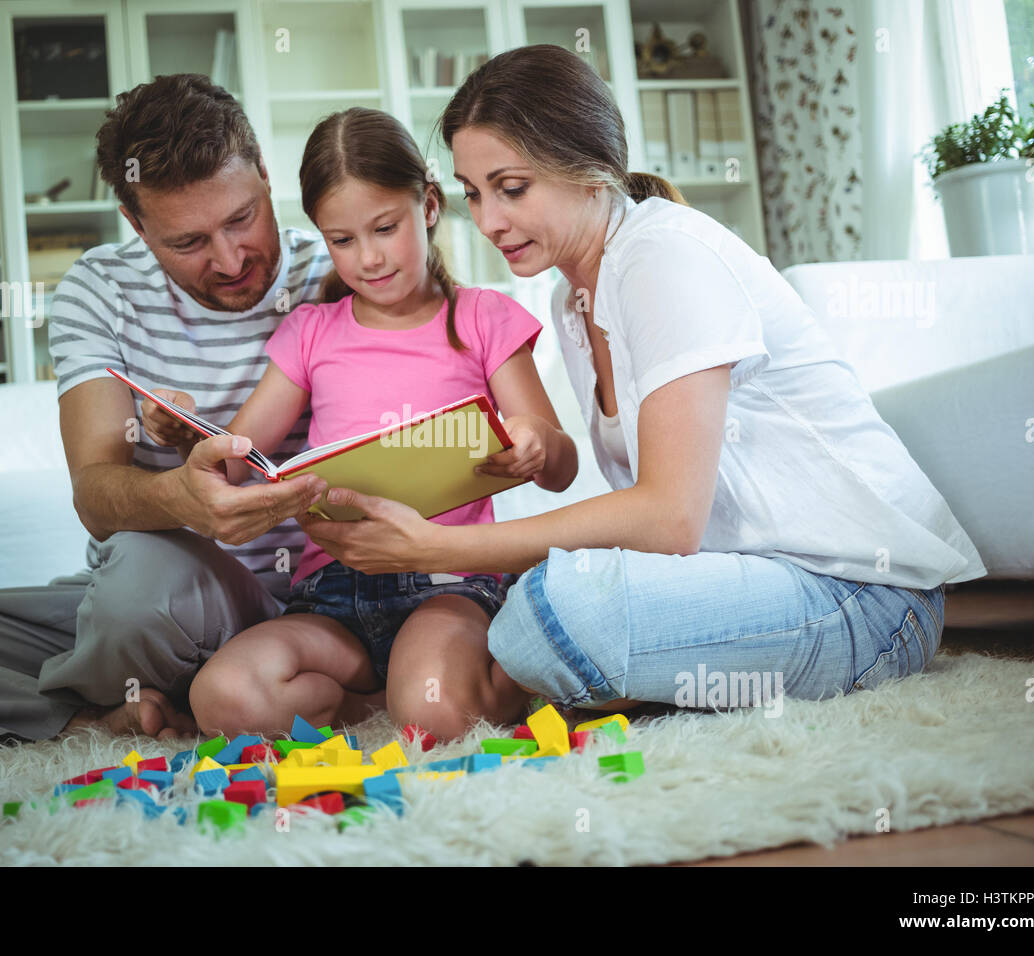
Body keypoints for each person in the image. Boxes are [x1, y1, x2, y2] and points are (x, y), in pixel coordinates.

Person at [297, 45, 987, 715]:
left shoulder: (663, 256)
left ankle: (549, 683)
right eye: (474, 195)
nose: (487, 222)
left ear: (590, 170)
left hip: (863, 595)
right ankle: (580, 684)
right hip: (755, 583)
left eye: (512, 189)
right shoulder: (574, 301)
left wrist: (440, 548)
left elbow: (669, 517)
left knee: (555, 608)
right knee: (553, 603)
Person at [0, 74, 344, 747]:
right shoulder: (100, 287)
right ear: (136, 225)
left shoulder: (343, 264)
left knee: (136, 589)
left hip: (319, 608)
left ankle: (112, 703)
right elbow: (97, 496)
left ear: (262, 173)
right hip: (148, 615)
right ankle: (83, 720)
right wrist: (182, 499)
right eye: (187, 243)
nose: (229, 260)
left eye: (241, 218)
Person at [169, 108, 577, 740]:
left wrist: (535, 444)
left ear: (430, 206)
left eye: (385, 228)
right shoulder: (311, 330)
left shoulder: (482, 319)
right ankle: (380, 704)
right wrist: (186, 432)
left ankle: (488, 675)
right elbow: (239, 454)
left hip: (448, 583)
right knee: (224, 696)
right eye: (342, 239)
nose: (369, 258)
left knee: (436, 710)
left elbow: (560, 466)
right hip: (333, 594)